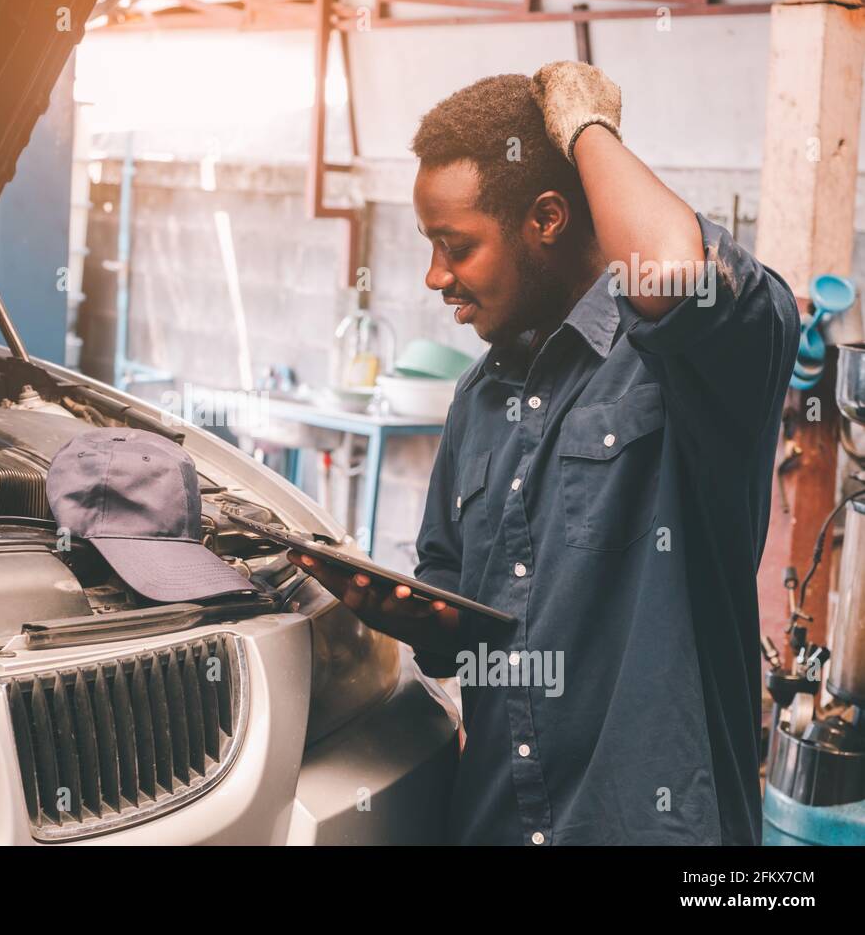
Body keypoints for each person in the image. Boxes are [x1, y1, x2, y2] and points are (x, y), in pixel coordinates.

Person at [289, 61, 799, 845]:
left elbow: (668, 270)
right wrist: (410, 613)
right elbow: (458, 616)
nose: (436, 277)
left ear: (549, 217)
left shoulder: (693, 365)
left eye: (454, 246)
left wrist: (585, 128)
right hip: (500, 822)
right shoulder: (478, 401)